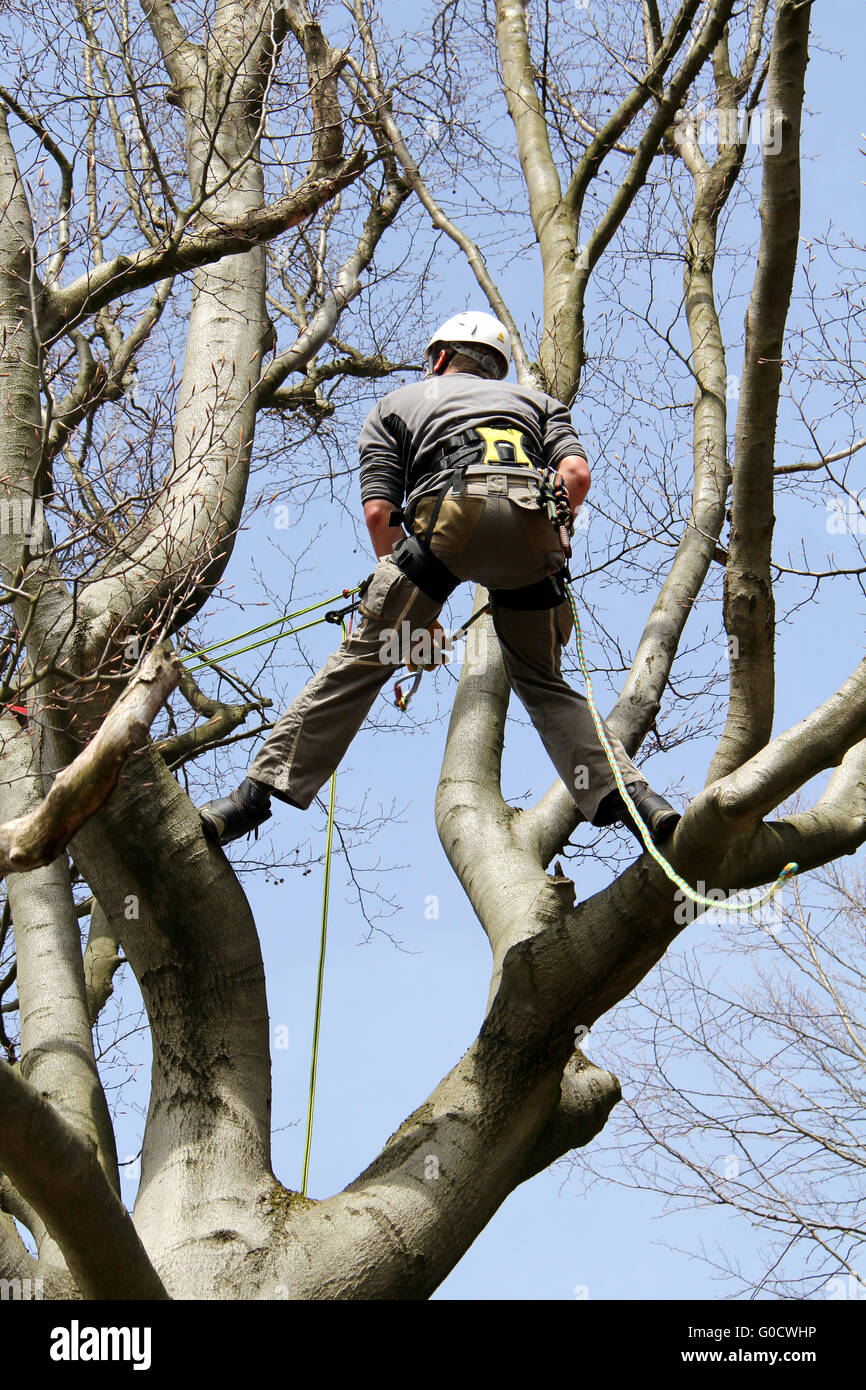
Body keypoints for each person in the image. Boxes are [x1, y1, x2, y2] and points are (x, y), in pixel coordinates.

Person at [199, 311, 680, 848]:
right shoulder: (538, 403)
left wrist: (413, 625)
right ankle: (639, 800)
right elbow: (576, 476)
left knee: (364, 661)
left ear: (443, 357)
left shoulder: (398, 405)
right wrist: (558, 528)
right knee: (544, 683)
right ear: (492, 369)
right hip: (534, 529)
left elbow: (381, 514)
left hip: (451, 516)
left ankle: (250, 799)